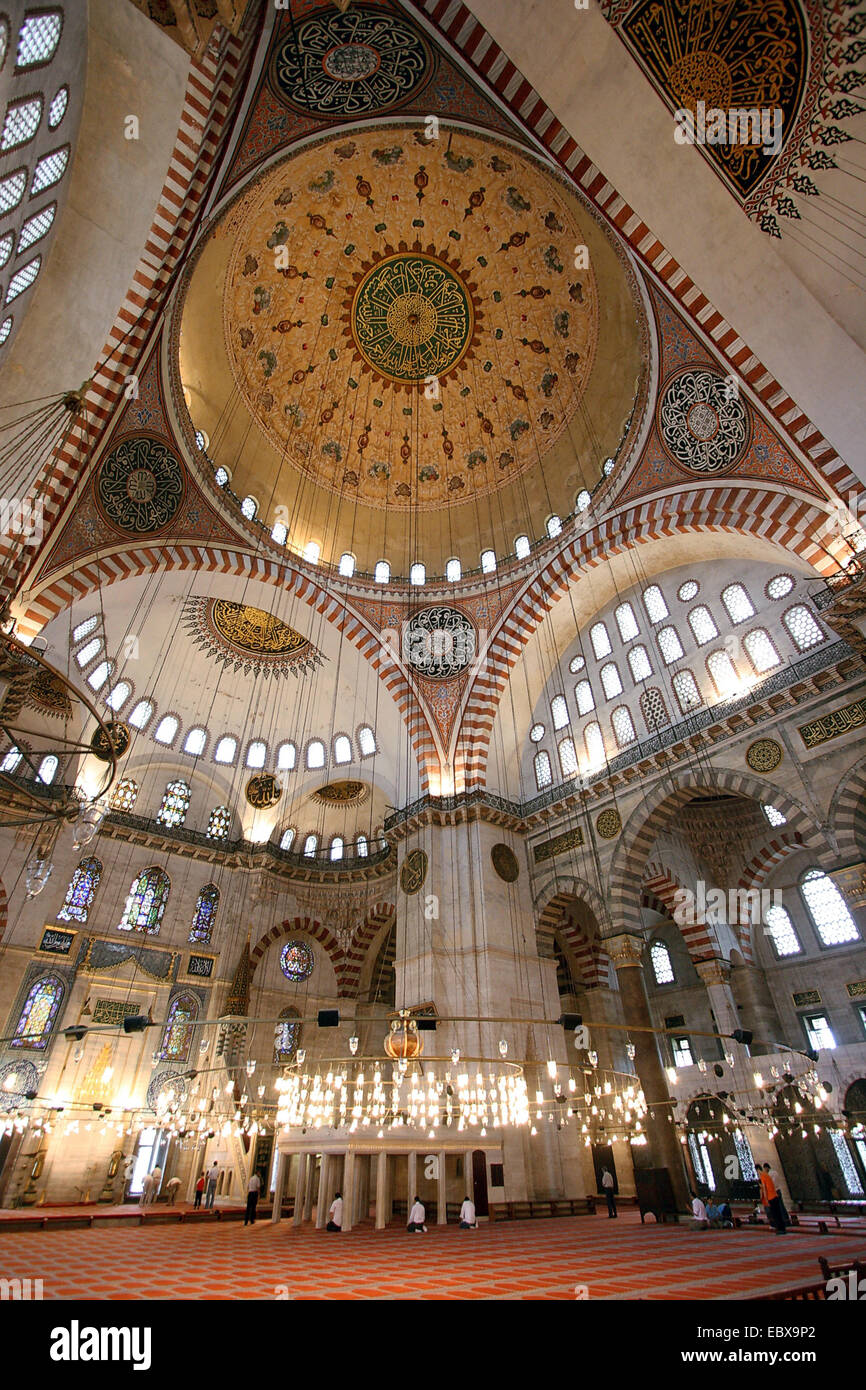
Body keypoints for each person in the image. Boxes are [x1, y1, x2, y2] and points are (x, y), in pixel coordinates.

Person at [759, 1163, 786, 1234]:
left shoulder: (768, 1175)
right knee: (781, 1209)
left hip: (772, 1194)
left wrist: (765, 1197)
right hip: (777, 1192)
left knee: (775, 1212)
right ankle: (785, 1222)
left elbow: (767, 1186)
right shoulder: (775, 1173)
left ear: (766, 1168)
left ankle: (778, 1226)